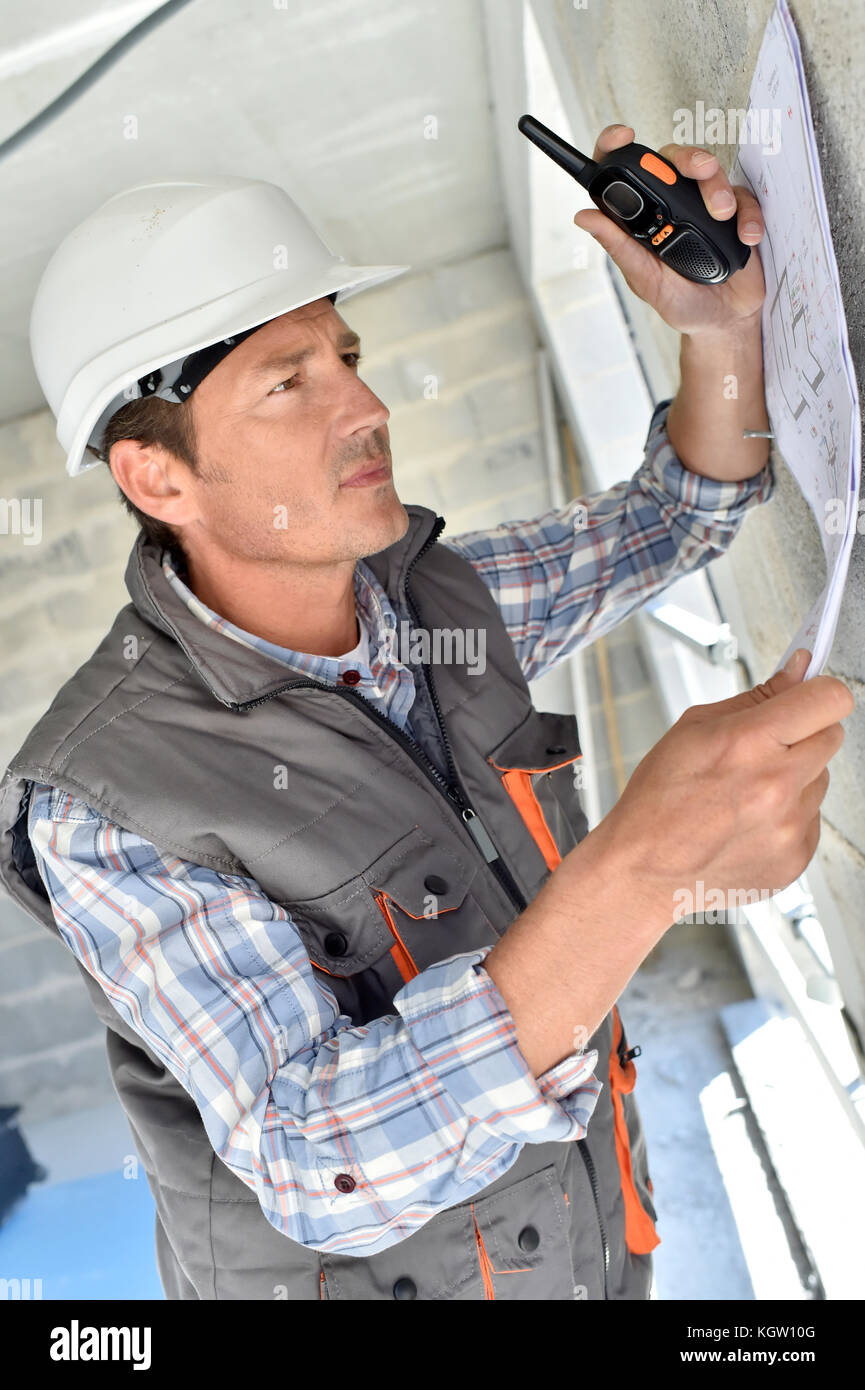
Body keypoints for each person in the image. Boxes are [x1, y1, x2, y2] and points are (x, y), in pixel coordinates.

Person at [0, 127, 852, 1300]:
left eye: (346, 356)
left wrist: (718, 329)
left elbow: (674, 517)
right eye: (289, 381)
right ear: (160, 478)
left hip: (594, 1251)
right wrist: (643, 868)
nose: (365, 404)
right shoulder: (109, 805)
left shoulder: (434, 603)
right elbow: (312, 1158)